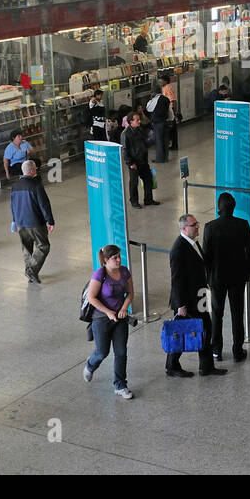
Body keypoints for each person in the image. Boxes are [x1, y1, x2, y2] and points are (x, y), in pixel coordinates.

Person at [167, 215, 228, 378]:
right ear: (184, 229)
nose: (197, 227)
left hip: (201, 294)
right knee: (181, 331)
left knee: (206, 329)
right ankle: (172, 365)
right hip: (187, 300)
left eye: (197, 224)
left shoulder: (193, 243)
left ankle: (206, 366)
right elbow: (177, 279)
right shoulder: (178, 249)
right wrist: (180, 304)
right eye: (194, 225)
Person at [201, 192, 250, 361]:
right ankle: (237, 351)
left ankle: (216, 350)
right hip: (238, 277)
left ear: (219, 208)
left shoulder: (210, 227)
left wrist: (207, 277)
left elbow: (206, 256)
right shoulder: (243, 224)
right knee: (237, 313)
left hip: (217, 278)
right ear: (233, 208)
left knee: (217, 314)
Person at [83, 244, 136, 398]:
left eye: (119, 256)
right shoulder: (100, 274)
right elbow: (91, 298)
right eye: (115, 258)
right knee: (102, 352)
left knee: (121, 352)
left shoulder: (124, 271)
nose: (119, 260)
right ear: (106, 260)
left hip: (119, 318)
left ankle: (120, 385)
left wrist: (124, 309)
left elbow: (130, 293)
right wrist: (108, 312)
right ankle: (90, 364)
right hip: (101, 319)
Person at [11, 160, 55, 283]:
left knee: (26, 248)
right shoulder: (36, 185)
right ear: (32, 171)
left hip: (20, 222)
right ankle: (32, 270)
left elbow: (13, 205)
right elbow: (44, 205)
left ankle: (29, 271)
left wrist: (14, 220)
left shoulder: (15, 186)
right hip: (35, 222)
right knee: (43, 246)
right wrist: (50, 221)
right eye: (35, 168)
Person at [121, 111, 159, 208]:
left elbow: (144, 143)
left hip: (143, 160)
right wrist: (130, 163)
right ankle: (134, 201)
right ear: (130, 122)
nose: (139, 121)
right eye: (137, 120)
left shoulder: (140, 130)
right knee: (134, 183)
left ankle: (148, 199)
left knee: (148, 179)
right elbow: (125, 150)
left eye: (139, 119)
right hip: (134, 162)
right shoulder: (125, 134)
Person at [146, 80, 171, 163]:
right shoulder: (166, 99)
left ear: (154, 92)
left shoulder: (155, 100)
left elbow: (148, 108)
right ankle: (165, 157)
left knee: (159, 141)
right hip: (165, 121)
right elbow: (169, 110)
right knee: (165, 140)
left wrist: (151, 99)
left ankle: (160, 159)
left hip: (158, 123)